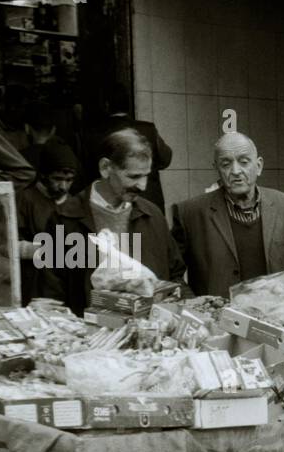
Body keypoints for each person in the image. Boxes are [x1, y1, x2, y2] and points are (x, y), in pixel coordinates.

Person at [44, 127, 184, 316]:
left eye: (146, 176)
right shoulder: (64, 219)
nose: (142, 186)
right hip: (91, 338)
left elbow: (175, 277)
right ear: (105, 168)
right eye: (133, 176)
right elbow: (51, 296)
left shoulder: (153, 215)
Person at [174, 132, 284, 296]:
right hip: (217, 318)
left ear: (259, 166)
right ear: (217, 169)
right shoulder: (190, 213)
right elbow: (172, 274)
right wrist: (196, 307)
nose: (235, 171)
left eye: (244, 162)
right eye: (226, 164)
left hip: (277, 316)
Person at [89, 84, 174, 212]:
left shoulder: (95, 134)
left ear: (106, 105)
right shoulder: (148, 129)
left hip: (111, 205)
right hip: (149, 205)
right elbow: (166, 159)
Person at [17, 140, 82, 305]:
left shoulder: (75, 203)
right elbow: (9, 246)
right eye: (57, 179)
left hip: (68, 283)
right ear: (43, 175)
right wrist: (49, 251)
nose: (63, 186)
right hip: (35, 283)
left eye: (69, 180)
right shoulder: (25, 199)